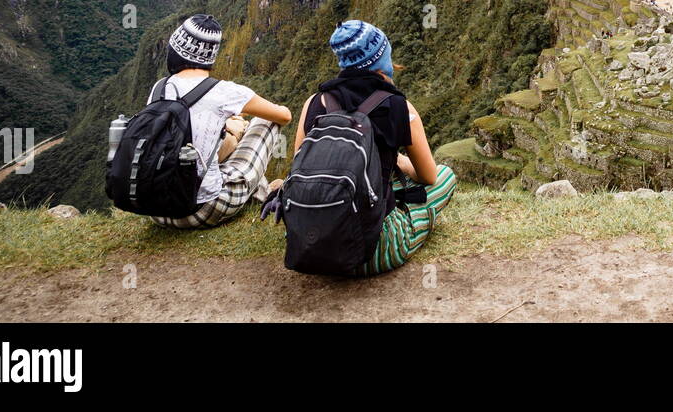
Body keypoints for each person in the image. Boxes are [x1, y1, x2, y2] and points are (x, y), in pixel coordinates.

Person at [266, 21, 456, 276]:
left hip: (310, 244)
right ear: (381, 58)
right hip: (376, 251)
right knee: (445, 177)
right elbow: (427, 176)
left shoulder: (313, 103)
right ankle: (407, 224)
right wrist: (397, 160)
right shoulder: (400, 107)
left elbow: (298, 169)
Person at [150, 15, 292, 229]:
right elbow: (284, 116)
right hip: (203, 209)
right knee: (266, 121)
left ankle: (262, 191)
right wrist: (237, 122)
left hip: (155, 208)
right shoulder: (225, 91)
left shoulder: (160, 87)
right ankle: (264, 191)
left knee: (205, 147)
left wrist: (224, 123)